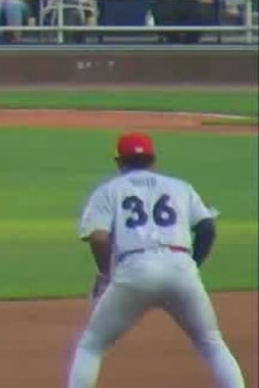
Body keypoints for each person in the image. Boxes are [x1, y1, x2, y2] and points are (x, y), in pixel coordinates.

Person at [65, 132, 245, 388]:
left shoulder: (109, 191)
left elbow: (99, 238)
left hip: (135, 271)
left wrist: (106, 274)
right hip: (180, 266)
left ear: (119, 162)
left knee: (91, 345)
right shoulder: (180, 187)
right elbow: (207, 228)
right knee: (213, 344)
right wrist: (191, 265)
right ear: (153, 160)